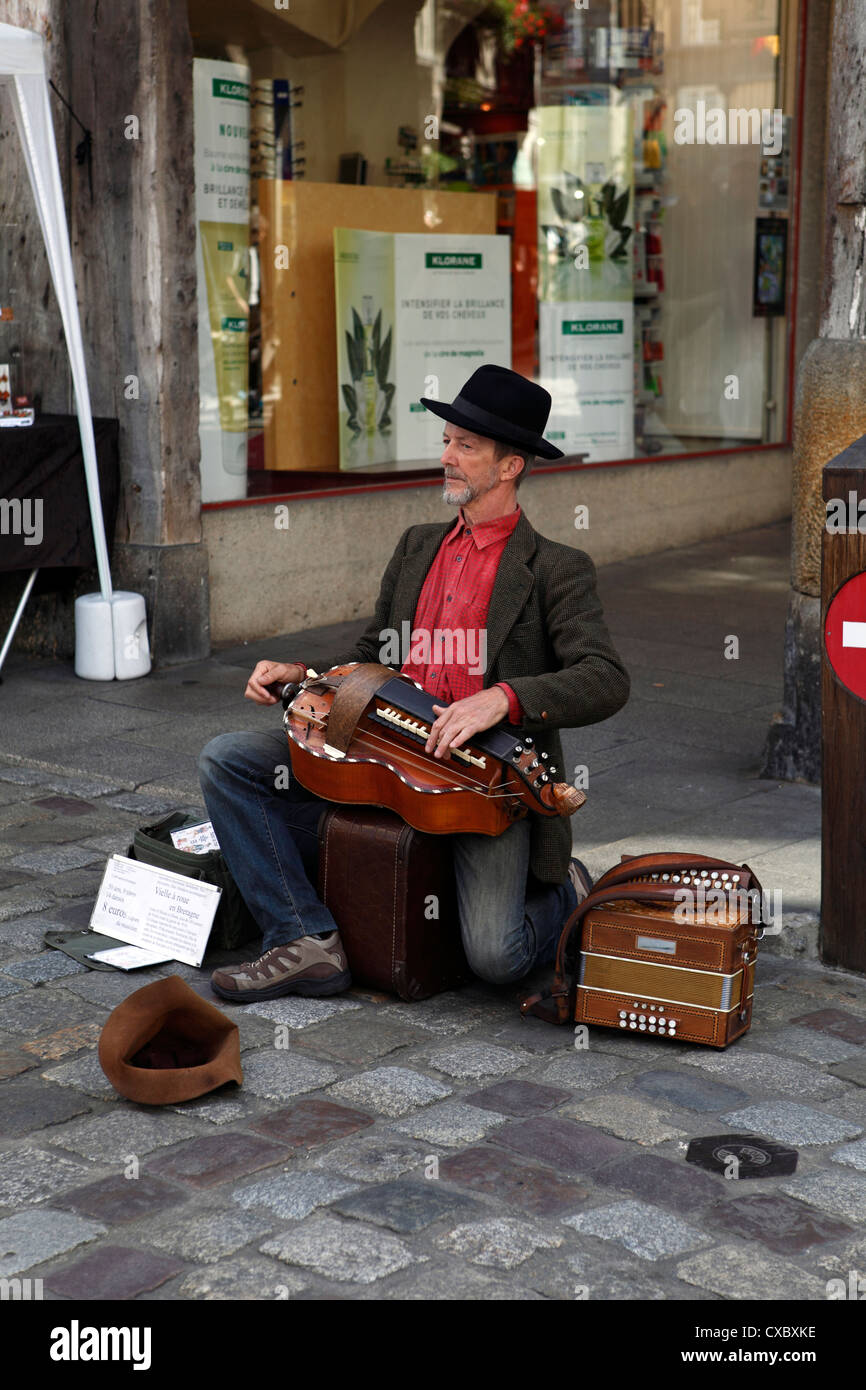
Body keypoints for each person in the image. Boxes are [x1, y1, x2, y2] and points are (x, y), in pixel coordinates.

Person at [199, 364, 629, 1003]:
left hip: (478, 774)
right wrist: (305, 676)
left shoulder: (557, 569)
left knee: (497, 957)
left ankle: (566, 889)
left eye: (465, 446)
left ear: (511, 466)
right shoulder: (416, 545)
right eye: (447, 440)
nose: (447, 457)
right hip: (380, 744)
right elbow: (374, 652)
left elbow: (605, 679)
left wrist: (503, 698)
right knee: (229, 762)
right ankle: (303, 938)